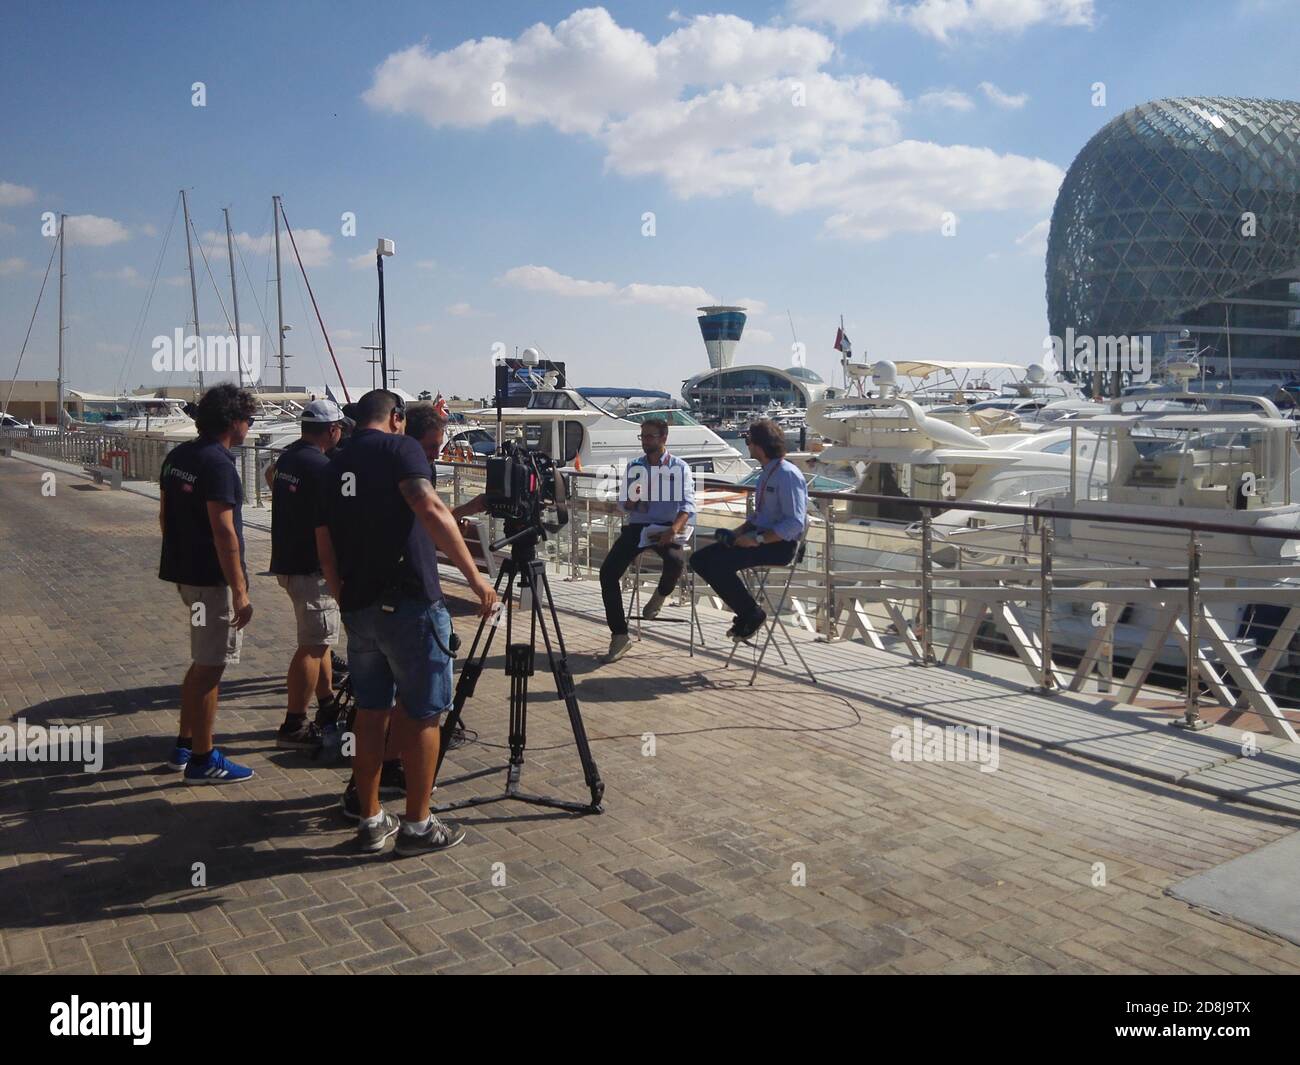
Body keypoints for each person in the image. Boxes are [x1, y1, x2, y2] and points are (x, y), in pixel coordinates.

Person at [316, 389, 498, 856]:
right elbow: (429, 506)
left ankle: (371, 817)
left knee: (371, 712)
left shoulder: (333, 461)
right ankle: (417, 824)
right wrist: (477, 580)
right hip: (410, 605)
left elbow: (324, 539)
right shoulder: (401, 449)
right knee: (423, 714)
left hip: (359, 606)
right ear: (397, 418)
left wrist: (340, 592)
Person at [158, 383, 258, 783]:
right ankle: (202, 758)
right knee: (211, 668)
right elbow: (224, 532)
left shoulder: (179, 456)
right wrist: (240, 590)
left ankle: (185, 742)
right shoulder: (219, 464)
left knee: (201, 663)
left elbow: (164, 515)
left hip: (185, 573)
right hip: (210, 580)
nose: (250, 428)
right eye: (249, 421)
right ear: (233, 422)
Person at [269, 399, 345, 749]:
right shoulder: (323, 467)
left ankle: (327, 704)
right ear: (332, 431)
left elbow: (271, 477)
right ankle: (294, 724)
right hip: (311, 568)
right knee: (313, 646)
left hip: (287, 560)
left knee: (322, 640)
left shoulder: (288, 458)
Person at [690, 418, 807, 643]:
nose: (748, 445)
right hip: (760, 538)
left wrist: (758, 540)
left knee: (718, 564)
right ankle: (747, 612)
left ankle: (751, 614)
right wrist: (737, 533)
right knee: (699, 559)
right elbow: (760, 517)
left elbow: (794, 524)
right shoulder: (767, 473)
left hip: (778, 546)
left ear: (759, 445)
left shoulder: (787, 474)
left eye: (749, 441)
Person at [598, 418, 695, 663]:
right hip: (638, 526)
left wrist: (673, 530)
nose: (645, 442)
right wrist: (632, 501)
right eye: (642, 436)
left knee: (675, 561)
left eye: (650, 437)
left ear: (663, 438)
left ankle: (660, 595)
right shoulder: (634, 467)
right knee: (608, 573)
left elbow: (688, 506)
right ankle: (619, 635)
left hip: (666, 527)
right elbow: (624, 504)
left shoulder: (679, 467)